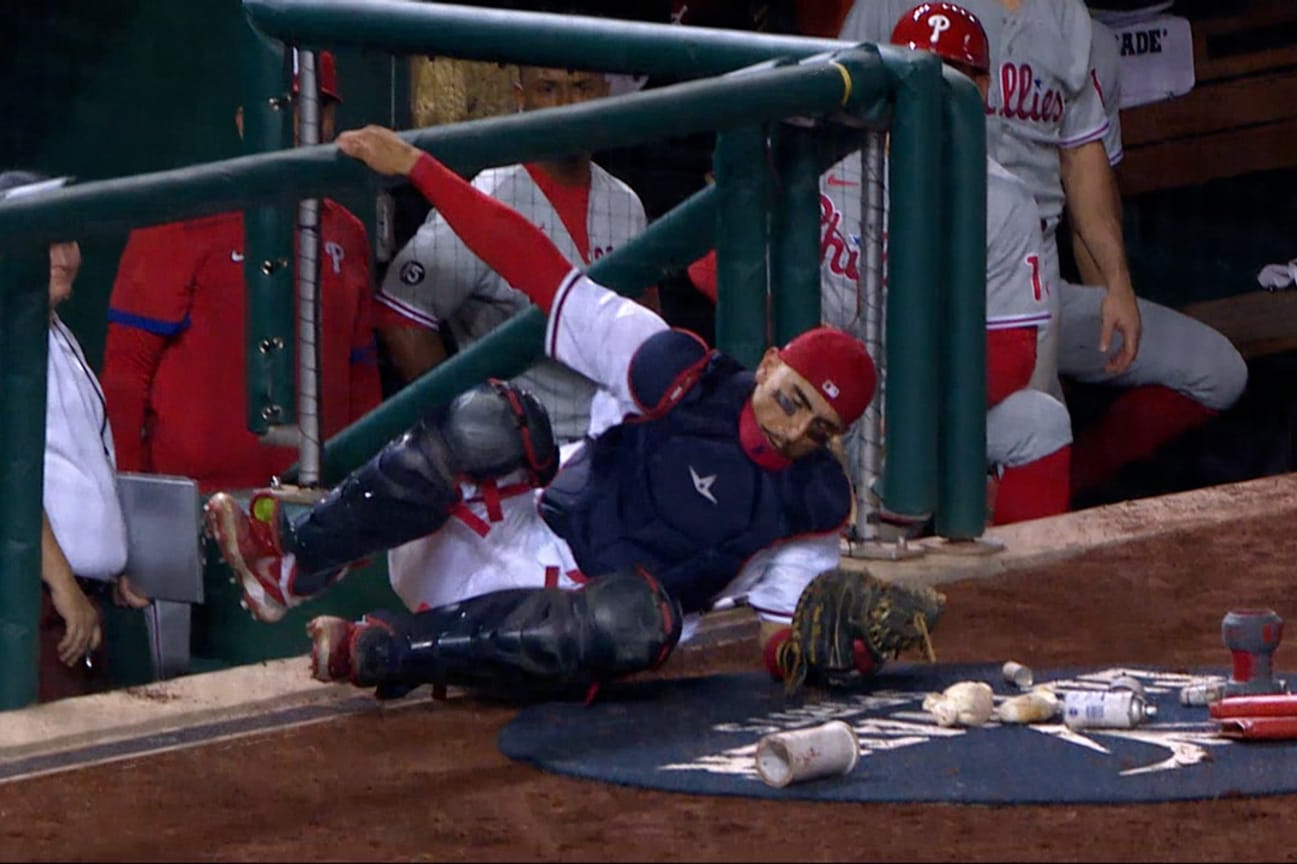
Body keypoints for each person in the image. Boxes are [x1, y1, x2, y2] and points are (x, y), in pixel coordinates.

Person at [201, 124, 923, 702]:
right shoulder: (675, 370)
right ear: (768, 365)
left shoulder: (813, 504)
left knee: (640, 620)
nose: (793, 430)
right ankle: (294, 559)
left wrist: (834, 654)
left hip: (565, 636)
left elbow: (779, 639)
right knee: (497, 419)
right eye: (792, 400)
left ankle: (386, 652)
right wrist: (420, 169)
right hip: (500, 529)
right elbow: (537, 267)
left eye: (819, 429)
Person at [840, 0, 1246, 503]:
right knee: (983, 436)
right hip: (907, 269)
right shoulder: (888, 6)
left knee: (1213, 372)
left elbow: (1082, 159)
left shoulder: (1068, 18)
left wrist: (1116, 284)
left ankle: (1070, 490)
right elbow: (836, 117)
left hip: (1031, 277)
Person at [817, 3, 1072, 524]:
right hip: (825, 393)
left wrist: (918, 417)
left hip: (929, 400)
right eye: (915, 73)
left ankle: (1017, 569)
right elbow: (716, 272)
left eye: (950, 76)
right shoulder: (828, 167)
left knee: (1041, 421)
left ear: (981, 90)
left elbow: (1011, 352)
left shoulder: (1002, 198)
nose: (928, 92)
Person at [102, 51, 378, 493]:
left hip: (317, 499)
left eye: (319, 108)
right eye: (287, 107)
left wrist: (362, 486)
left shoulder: (349, 233)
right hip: (197, 499)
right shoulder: (181, 218)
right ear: (244, 121)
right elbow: (127, 372)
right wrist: (128, 496)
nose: (305, 124)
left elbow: (361, 375)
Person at [0, 171, 148, 718]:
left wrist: (107, 562)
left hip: (56, 601)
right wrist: (64, 585)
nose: (65, 256)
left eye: (67, 238)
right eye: (45, 240)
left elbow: (75, 464)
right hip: (15, 601)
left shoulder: (49, 328)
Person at [375, 65, 650, 443]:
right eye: (548, 89)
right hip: (529, 452)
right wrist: (465, 426)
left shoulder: (625, 203)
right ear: (521, 99)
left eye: (582, 87)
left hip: (616, 441)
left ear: (603, 93)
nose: (567, 104)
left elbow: (646, 327)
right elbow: (401, 311)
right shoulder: (488, 196)